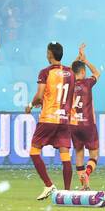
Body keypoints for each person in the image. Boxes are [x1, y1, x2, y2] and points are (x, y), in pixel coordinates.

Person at [27, 42, 75, 200]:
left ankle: (48, 185)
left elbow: (40, 96)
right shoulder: (70, 73)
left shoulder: (45, 72)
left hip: (48, 117)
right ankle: (67, 193)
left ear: (49, 54)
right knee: (65, 155)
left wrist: (30, 105)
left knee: (34, 151)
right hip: (64, 118)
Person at [70, 43, 101, 188]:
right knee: (94, 156)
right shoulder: (87, 83)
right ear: (83, 71)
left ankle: (84, 185)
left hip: (74, 125)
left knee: (79, 154)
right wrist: (86, 60)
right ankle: (87, 174)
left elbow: (71, 70)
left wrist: (78, 59)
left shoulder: (68, 84)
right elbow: (97, 73)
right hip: (88, 124)